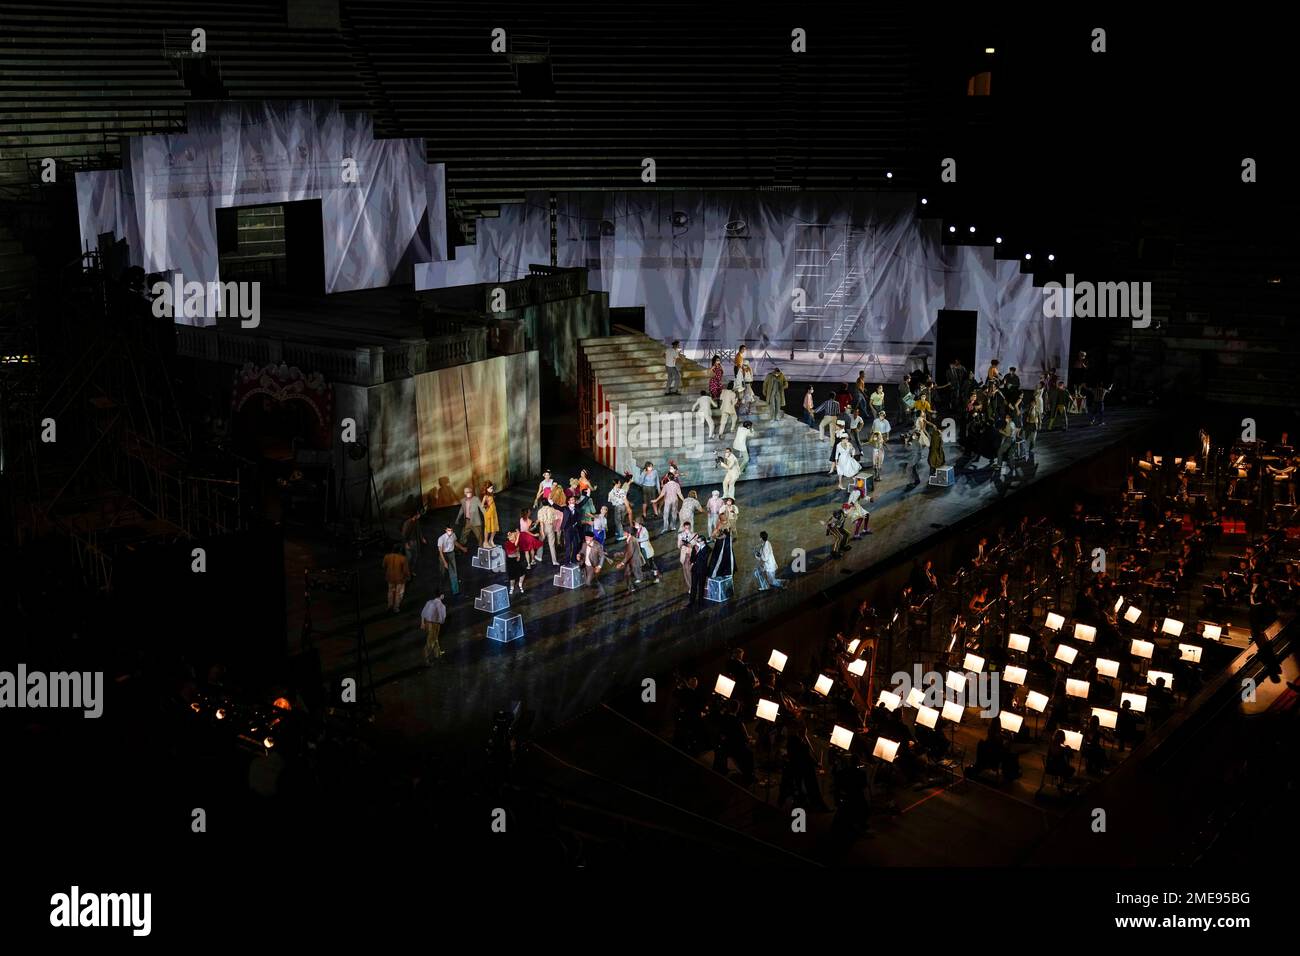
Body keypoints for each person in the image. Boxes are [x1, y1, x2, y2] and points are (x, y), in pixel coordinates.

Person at [436, 524, 466, 596]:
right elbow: (440, 552)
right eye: (449, 530)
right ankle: (440, 591)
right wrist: (445, 562)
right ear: (446, 530)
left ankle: (455, 591)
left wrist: (462, 548)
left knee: (453, 572)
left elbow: (455, 543)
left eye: (451, 530)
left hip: (451, 554)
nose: (450, 532)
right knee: (442, 574)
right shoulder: (441, 538)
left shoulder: (453, 535)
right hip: (444, 555)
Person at [382, 543, 411, 613]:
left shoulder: (387, 557)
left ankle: (390, 605)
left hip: (390, 577)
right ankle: (396, 607)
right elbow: (405, 571)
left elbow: (383, 566)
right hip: (400, 579)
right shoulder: (403, 559)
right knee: (399, 593)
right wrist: (408, 577)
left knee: (390, 592)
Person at [421, 591, 447, 664]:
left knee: (434, 639)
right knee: (431, 641)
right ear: (441, 596)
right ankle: (426, 659)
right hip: (435, 625)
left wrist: (422, 623)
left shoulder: (429, 602)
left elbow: (423, 613)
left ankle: (437, 654)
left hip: (427, 623)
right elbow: (442, 620)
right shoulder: (442, 606)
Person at [401, 507, 426, 576]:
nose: (419, 515)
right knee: (409, 558)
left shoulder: (416, 522)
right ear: (415, 515)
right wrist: (406, 543)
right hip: (409, 543)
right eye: (418, 514)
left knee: (415, 556)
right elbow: (404, 534)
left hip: (415, 542)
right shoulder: (407, 523)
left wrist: (422, 538)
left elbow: (419, 530)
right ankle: (405, 572)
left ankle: (411, 571)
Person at [504, 530, 527, 594]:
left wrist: (518, 556)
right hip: (510, 561)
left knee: (522, 573)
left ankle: (520, 584)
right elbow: (514, 545)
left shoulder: (516, 544)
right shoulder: (508, 543)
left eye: (514, 538)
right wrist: (518, 535)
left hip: (516, 560)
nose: (513, 540)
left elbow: (517, 550)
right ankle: (512, 587)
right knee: (512, 576)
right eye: (512, 538)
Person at [606, 477, 627, 543]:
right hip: (623, 506)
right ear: (616, 484)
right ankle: (620, 534)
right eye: (619, 483)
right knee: (620, 521)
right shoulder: (622, 491)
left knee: (618, 521)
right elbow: (624, 499)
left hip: (617, 507)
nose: (620, 484)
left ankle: (619, 533)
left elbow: (609, 500)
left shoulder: (610, 492)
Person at [481, 483, 499, 547]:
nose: (492, 489)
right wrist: (487, 505)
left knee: (494, 527)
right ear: (486, 489)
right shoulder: (485, 496)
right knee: (488, 528)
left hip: (494, 513)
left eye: (492, 488)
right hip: (488, 514)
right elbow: (482, 505)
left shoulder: (491, 494)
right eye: (490, 488)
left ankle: (491, 540)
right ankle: (485, 542)